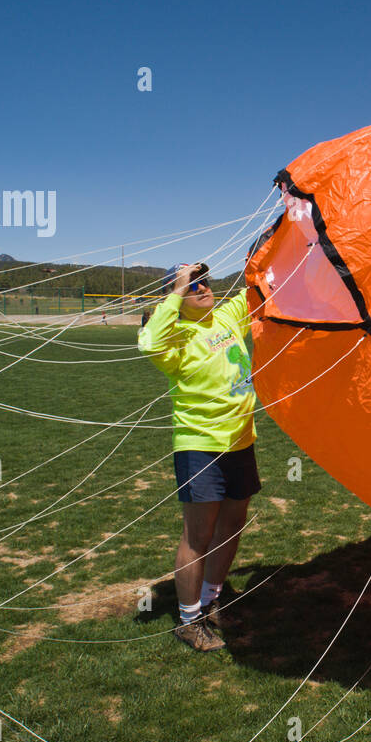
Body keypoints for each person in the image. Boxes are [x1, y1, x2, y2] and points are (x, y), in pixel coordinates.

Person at [138, 262, 258, 651]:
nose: (202, 288)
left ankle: (211, 600)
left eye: (204, 281)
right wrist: (177, 290)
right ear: (176, 295)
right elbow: (148, 343)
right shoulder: (175, 340)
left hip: (241, 442)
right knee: (198, 535)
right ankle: (188, 621)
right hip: (200, 446)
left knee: (233, 524)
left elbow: (260, 290)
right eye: (193, 285)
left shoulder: (226, 315)